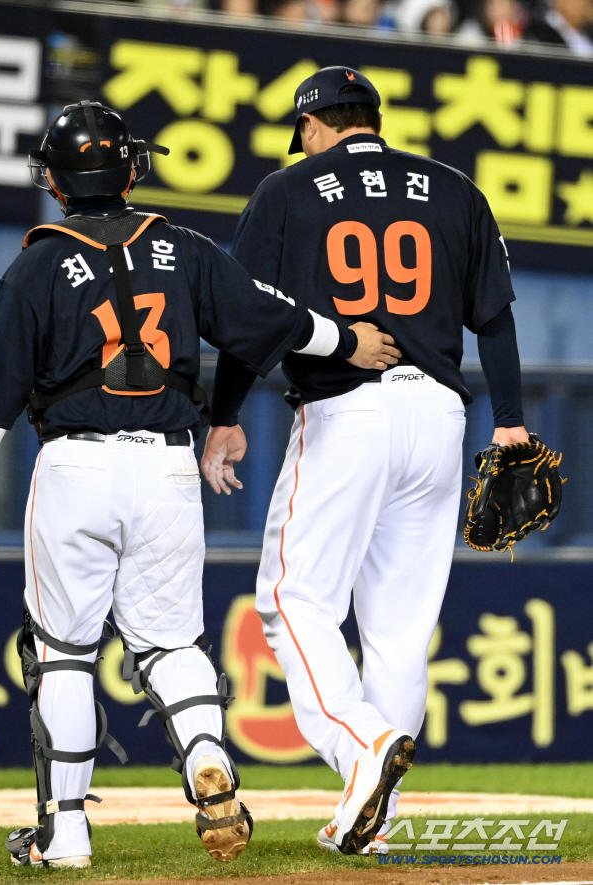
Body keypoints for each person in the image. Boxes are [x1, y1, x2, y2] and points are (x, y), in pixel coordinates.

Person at [0, 99, 375, 869]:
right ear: (130, 167)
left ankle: (65, 834)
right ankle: (207, 758)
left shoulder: (39, 260)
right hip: (168, 466)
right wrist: (347, 336)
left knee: (64, 652)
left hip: (74, 464)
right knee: (172, 641)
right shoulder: (180, 245)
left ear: (57, 179)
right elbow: (265, 317)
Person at [201, 66, 529, 855]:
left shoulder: (287, 189)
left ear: (314, 127)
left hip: (350, 405)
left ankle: (360, 748)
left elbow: (249, 319)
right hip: (443, 414)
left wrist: (224, 414)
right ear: (374, 120)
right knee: (400, 629)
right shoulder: (457, 189)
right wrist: (512, 423)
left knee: (292, 600)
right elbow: (496, 319)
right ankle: (370, 815)